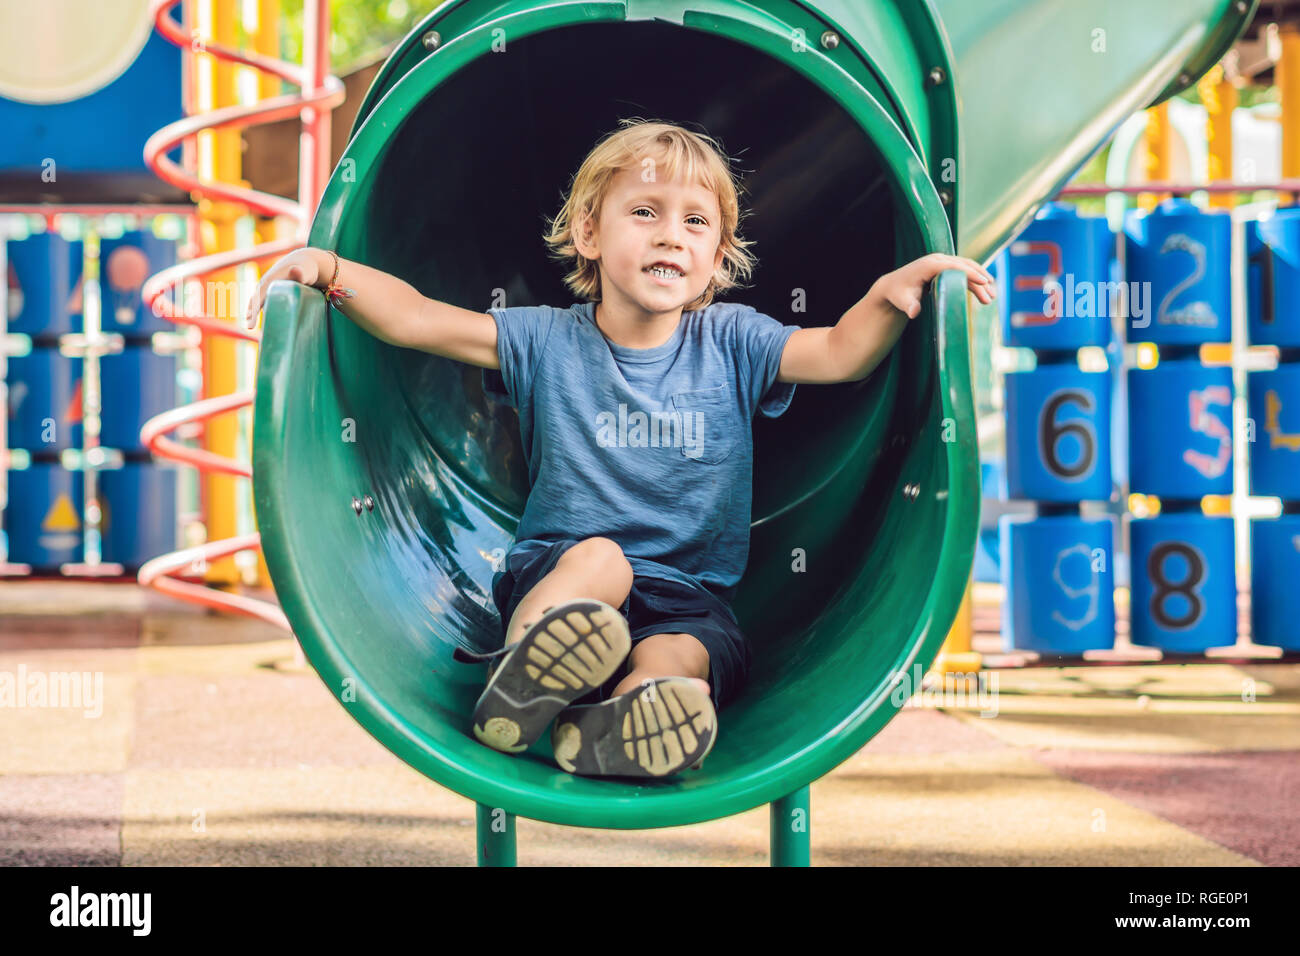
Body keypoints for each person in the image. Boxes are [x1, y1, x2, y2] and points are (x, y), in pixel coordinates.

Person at [245, 118, 995, 779]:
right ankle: (531, 667)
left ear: (718, 258)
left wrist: (896, 290)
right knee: (598, 561)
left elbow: (838, 354)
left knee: (682, 664)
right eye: (646, 212)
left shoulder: (734, 342)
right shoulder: (544, 339)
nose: (672, 233)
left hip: (687, 595)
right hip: (565, 568)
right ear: (589, 235)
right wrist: (329, 271)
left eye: (696, 223)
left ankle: (621, 725)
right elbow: (418, 319)